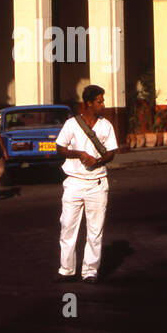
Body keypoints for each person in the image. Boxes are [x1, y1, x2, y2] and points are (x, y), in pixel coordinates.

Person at [54, 85, 119, 283]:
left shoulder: (106, 125)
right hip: (73, 182)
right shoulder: (72, 124)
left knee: (95, 229)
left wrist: (97, 161)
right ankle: (67, 269)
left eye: (103, 100)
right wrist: (79, 154)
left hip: (97, 183)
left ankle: (90, 271)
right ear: (88, 103)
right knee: (67, 227)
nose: (103, 104)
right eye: (99, 101)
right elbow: (60, 148)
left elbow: (111, 152)